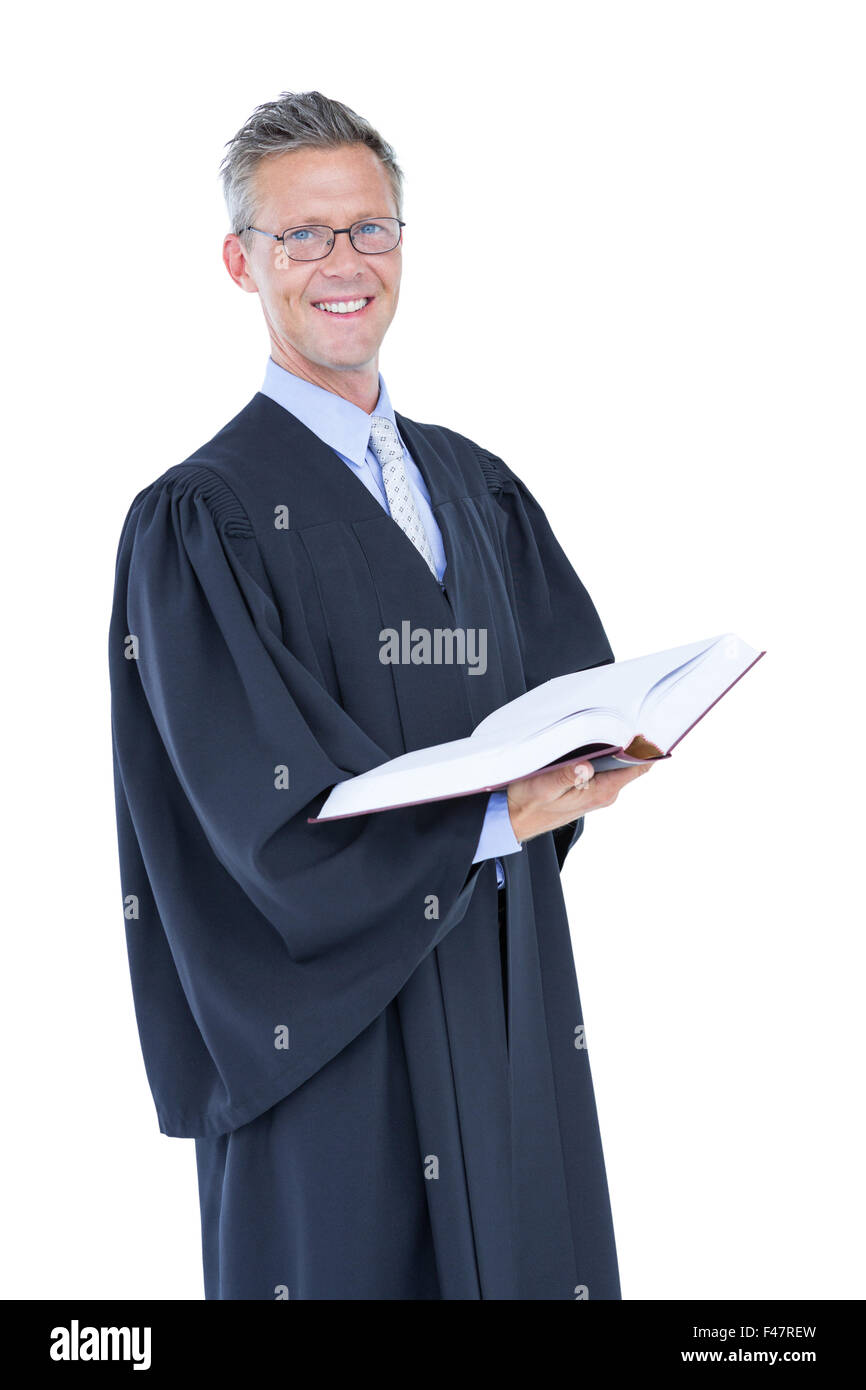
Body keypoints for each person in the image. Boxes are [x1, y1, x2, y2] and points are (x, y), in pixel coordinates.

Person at [108, 89, 654, 1301]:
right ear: (239, 261)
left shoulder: (476, 485)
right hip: (328, 1046)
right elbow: (244, 819)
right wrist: (482, 823)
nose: (341, 263)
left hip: (503, 1004)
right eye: (301, 235)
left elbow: (561, 694)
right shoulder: (201, 521)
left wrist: (597, 756)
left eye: (369, 228)